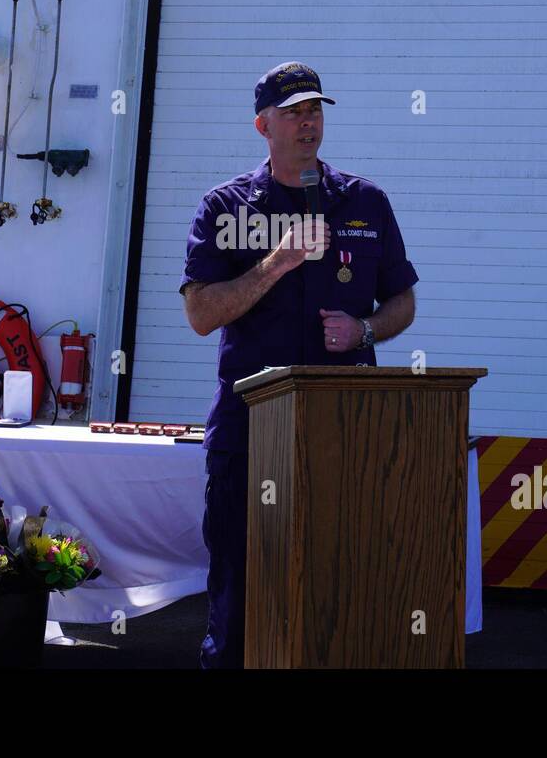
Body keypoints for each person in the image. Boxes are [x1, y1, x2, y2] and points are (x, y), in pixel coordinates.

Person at [179, 61, 418, 668]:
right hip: (250, 432)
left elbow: (403, 301)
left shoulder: (365, 201)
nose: (308, 121)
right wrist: (278, 262)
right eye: (293, 112)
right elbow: (203, 314)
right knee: (239, 594)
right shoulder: (226, 208)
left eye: (315, 109)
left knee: (343, 588)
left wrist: (365, 328)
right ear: (264, 125)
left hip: (344, 430)